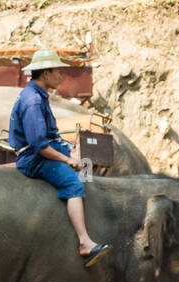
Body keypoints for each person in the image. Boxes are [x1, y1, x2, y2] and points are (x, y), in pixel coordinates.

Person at [9, 50, 108, 267]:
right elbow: (39, 145)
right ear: (45, 74)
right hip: (33, 157)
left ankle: (85, 211)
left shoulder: (39, 96)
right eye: (57, 71)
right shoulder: (32, 101)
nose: (60, 76)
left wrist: (71, 151)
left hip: (46, 148)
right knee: (72, 182)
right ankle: (84, 242)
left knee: (87, 165)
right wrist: (66, 160)